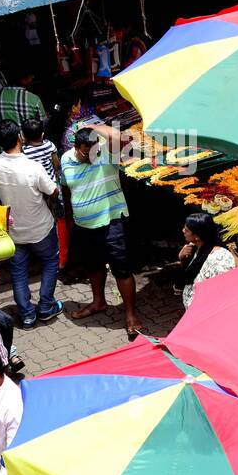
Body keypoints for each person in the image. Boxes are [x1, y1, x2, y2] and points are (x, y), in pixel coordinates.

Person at [60, 127, 142, 339]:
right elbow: (66, 189)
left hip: (111, 222)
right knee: (93, 265)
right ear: (76, 147)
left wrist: (92, 127)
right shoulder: (66, 159)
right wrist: (70, 220)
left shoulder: (107, 154)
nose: (92, 156)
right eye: (87, 152)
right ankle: (99, 302)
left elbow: (119, 138)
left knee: (122, 270)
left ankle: (131, 315)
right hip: (83, 226)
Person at [0, 120, 63, 328]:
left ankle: (27, 315)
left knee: (19, 272)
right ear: (20, 138)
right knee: (49, 262)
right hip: (40, 227)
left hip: (14, 229)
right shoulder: (33, 167)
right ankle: (46, 307)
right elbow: (52, 191)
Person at [178, 212, 238, 309]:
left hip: (204, 311)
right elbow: (188, 273)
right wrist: (181, 258)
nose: (183, 231)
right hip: (193, 310)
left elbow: (223, 290)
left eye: (187, 230)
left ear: (197, 236)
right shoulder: (194, 248)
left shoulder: (220, 258)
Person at [0, 66, 47, 132]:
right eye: (31, 75)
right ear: (23, 79)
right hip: (25, 141)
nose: (33, 77)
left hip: (1, 141)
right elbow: (43, 127)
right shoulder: (34, 99)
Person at [19, 117, 60, 184]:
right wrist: (56, 171)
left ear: (24, 136)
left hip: (35, 183)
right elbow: (56, 161)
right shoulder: (49, 145)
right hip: (50, 181)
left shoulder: (24, 151)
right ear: (42, 135)